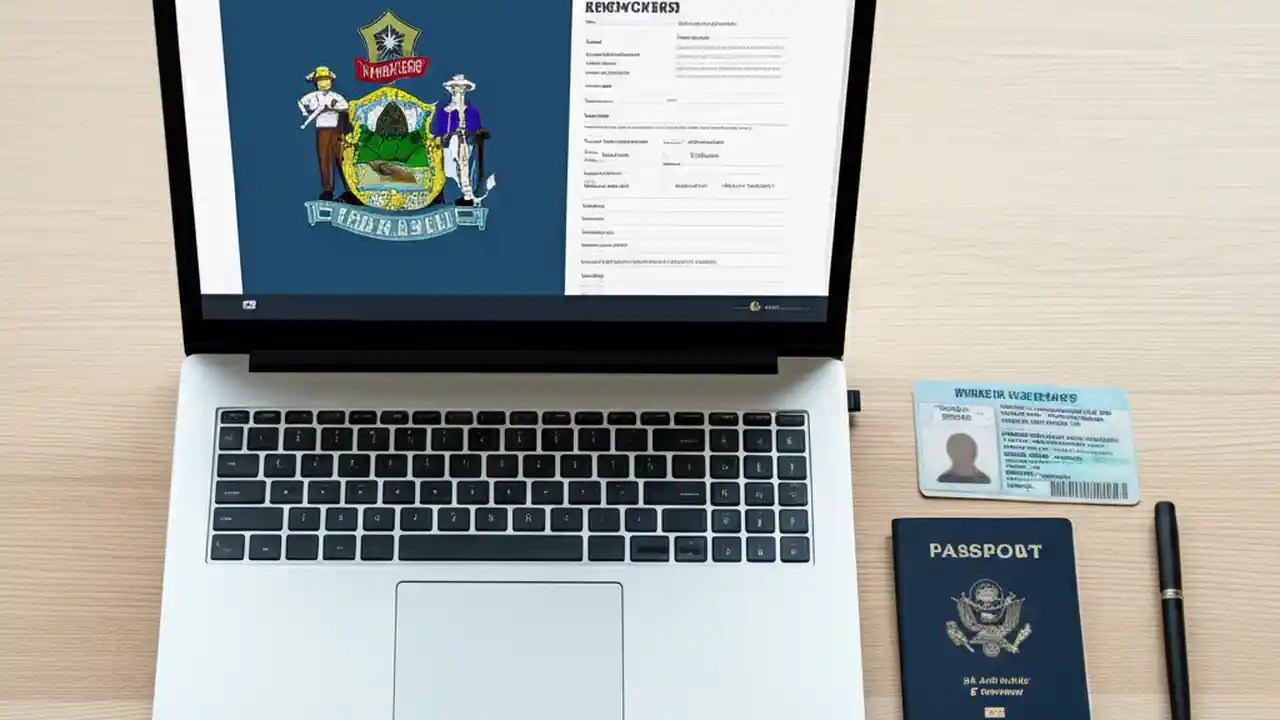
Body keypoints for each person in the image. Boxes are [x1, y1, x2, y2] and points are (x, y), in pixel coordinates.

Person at [431, 74, 485, 205]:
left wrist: (465, 134)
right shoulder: (445, 112)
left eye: (461, 89)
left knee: (464, 169)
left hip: (465, 144)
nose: (458, 92)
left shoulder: (471, 111)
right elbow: (440, 131)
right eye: (456, 89)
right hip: (447, 146)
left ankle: (467, 195)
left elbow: (475, 129)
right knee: (448, 170)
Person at [298, 66, 350, 201]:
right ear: (316, 83)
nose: (324, 83)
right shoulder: (312, 97)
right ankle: (328, 190)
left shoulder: (336, 97)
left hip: (338, 131)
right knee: (325, 160)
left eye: (326, 80)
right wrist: (308, 110)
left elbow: (346, 107)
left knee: (343, 160)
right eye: (320, 80)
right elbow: (301, 103)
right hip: (322, 130)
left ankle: (349, 189)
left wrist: (334, 106)